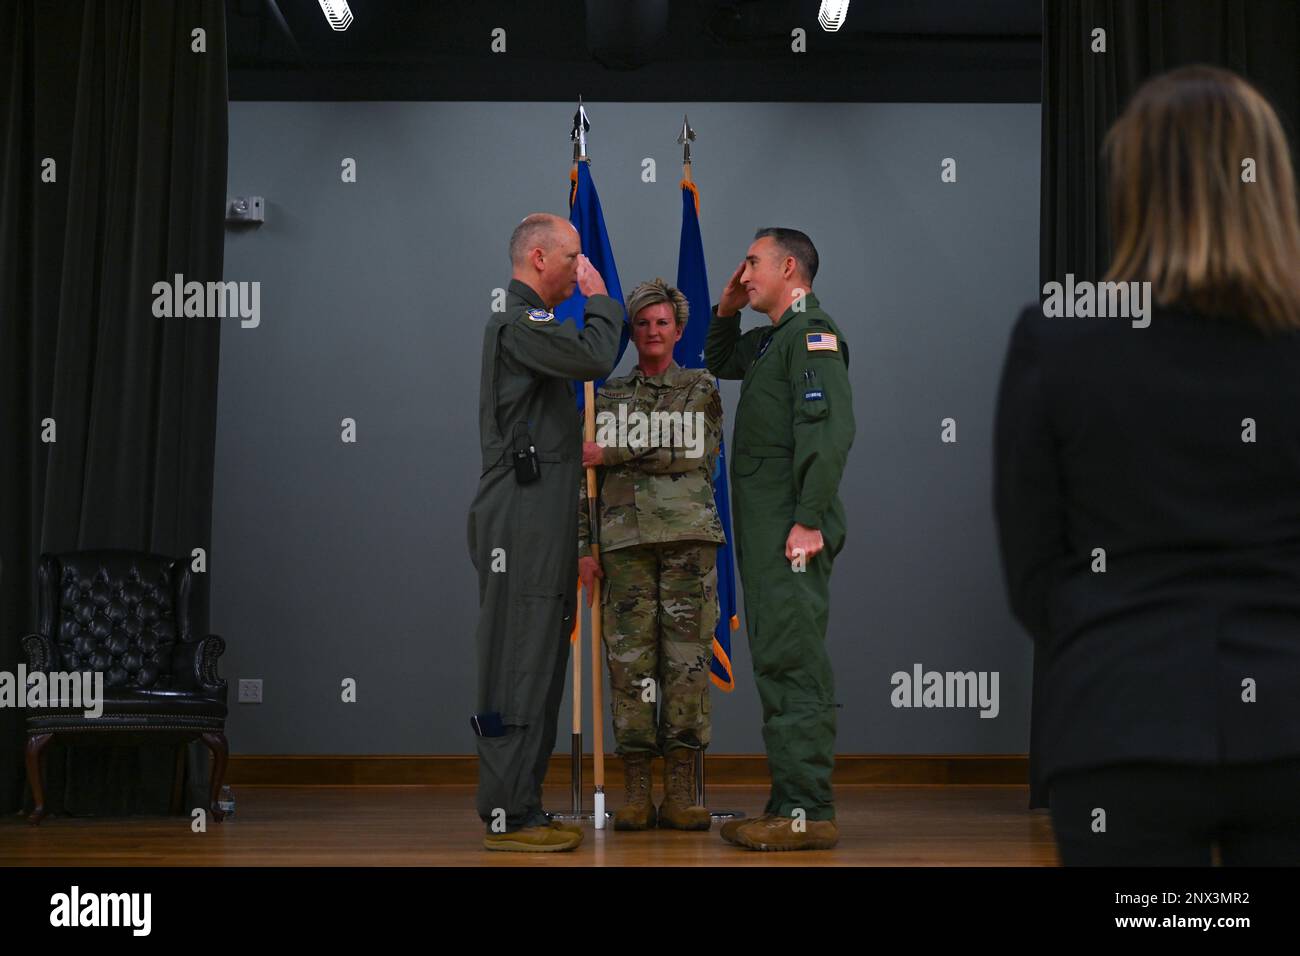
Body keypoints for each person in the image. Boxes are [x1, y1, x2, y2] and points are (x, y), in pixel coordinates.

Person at [994, 66, 1300, 865]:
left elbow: (1033, 572)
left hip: (1120, 725)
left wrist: (1109, 643)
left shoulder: (1056, 341)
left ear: (1132, 187)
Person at [467, 213, 623, 852]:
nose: (578, 268)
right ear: (539, 258)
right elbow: (594, 356)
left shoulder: (532, 327)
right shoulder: (520, 322)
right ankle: (505, 814)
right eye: (573, 258)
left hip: (543, 518)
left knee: (540, 660)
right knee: (516, 661)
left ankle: (524, 805)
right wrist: (603, 298)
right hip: (520, 520)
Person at [705, 228, 855, 850]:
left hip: (792, 533)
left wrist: (810, 520)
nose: (743, 273)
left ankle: (808, 812)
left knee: (793, 662)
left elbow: (828, 434)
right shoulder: (773, 340)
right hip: (767, 535)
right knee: (776, 661)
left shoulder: (812, 338)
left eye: (752, 262)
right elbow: (719, 361)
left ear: (789, 266)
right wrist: (724, 311)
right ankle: (787, 802)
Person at [577, 278, 726, 831]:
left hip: (688, 541)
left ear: (679, 330)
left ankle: (682, 790)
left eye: (662, 322)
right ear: (631, 332)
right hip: (622, 544)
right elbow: (583, 476)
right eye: (642, 323)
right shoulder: (607, 394)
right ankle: (637, 789)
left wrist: (614, 449)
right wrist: (581, 548)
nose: (653, 331)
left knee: (686, 664)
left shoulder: (701, 385)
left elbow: (692, 447)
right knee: (630, 665)